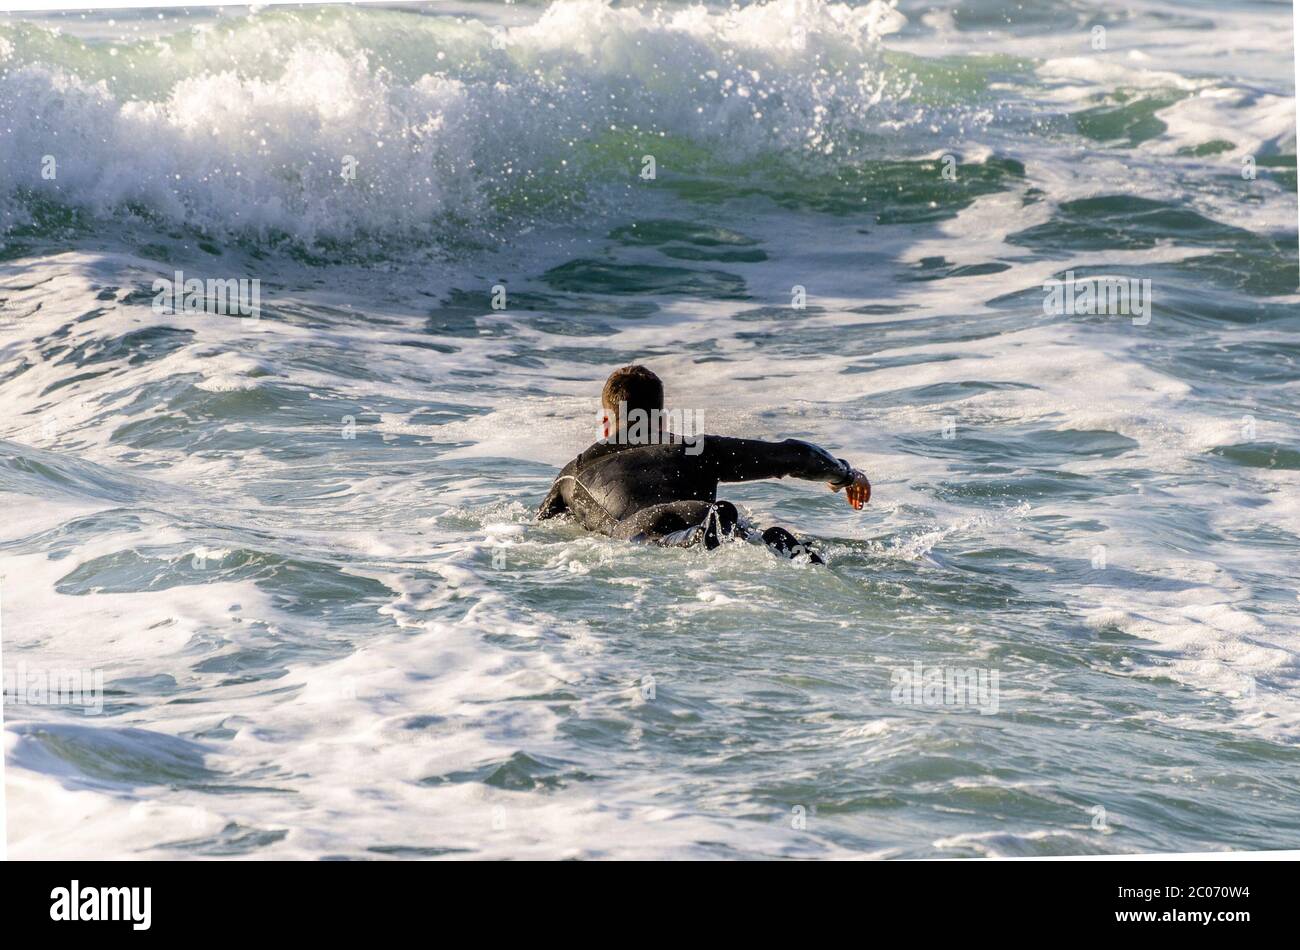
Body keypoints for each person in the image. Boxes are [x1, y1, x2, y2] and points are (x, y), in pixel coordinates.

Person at [536, 365, 870, 562]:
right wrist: (846, 475)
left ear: (607, 424)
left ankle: (698, 535)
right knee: (742, 535)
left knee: (669, 540)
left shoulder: (574, 473)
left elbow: (536, 532)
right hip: (700, 509)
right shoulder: (694, 447)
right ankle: (760, 539)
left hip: (641, 529)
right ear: (661, 421)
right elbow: (794, 455)